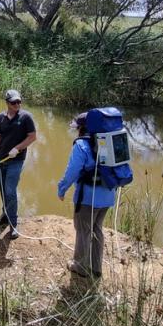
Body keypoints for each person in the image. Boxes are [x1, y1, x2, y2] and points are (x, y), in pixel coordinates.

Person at [57, 112, 116, 278]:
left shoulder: (81, 145)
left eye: (78, 128)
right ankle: (96, 267)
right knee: (97, 229)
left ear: (82, 128)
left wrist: (62, 188)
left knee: (83, 230)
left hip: (87, 198)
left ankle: (81, 266)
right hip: (108, 196)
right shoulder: (107, 141)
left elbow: (72, 172)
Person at [0, 89, 37, 239]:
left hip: (16, 160)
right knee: (2, 189)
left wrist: (18, 148)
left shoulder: (26, 117)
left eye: (19, 101)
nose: (17, 104)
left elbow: (32, 137)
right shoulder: (0, 118)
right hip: (0, 160)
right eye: (13, 102)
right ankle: (5, 216)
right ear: (7, 103)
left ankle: (13, 224)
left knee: (10, 191)